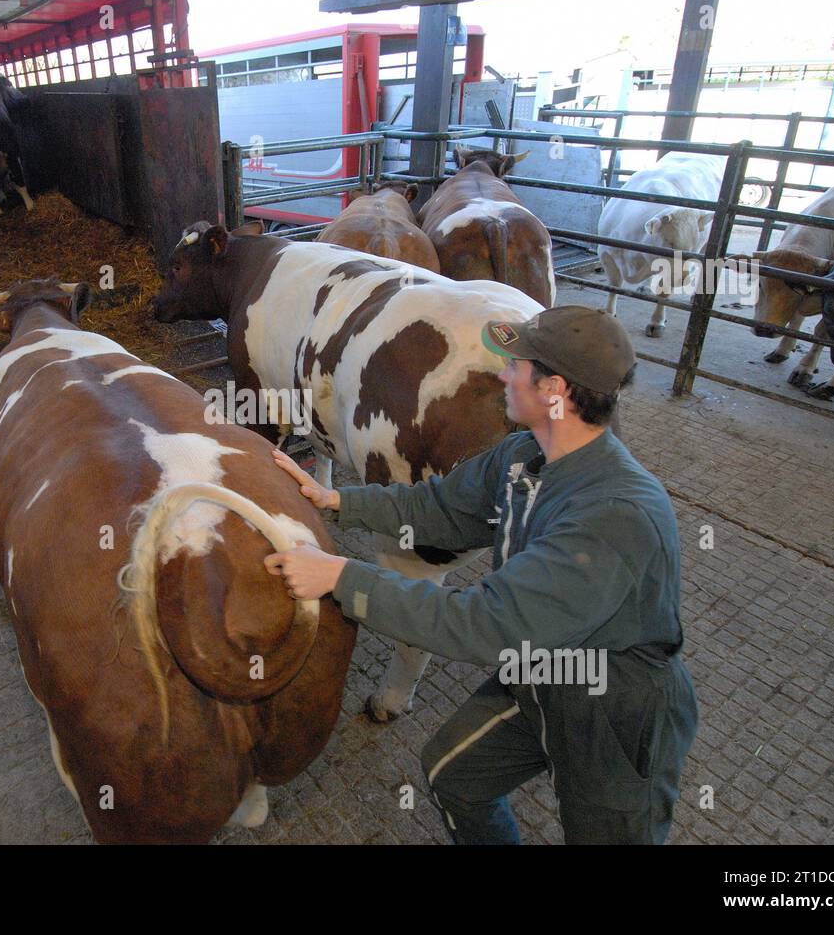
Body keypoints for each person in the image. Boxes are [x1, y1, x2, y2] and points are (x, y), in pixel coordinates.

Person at [264, 305, 698, 844]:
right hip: (541, 677)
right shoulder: (523, 457)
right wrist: (337, 501)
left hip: (611, 712)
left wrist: (340, 577)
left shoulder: (614, 515)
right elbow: (441, 509)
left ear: (554, 389)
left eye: (516, 365)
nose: (501, 374)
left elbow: (487, 625)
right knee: (456, 778)